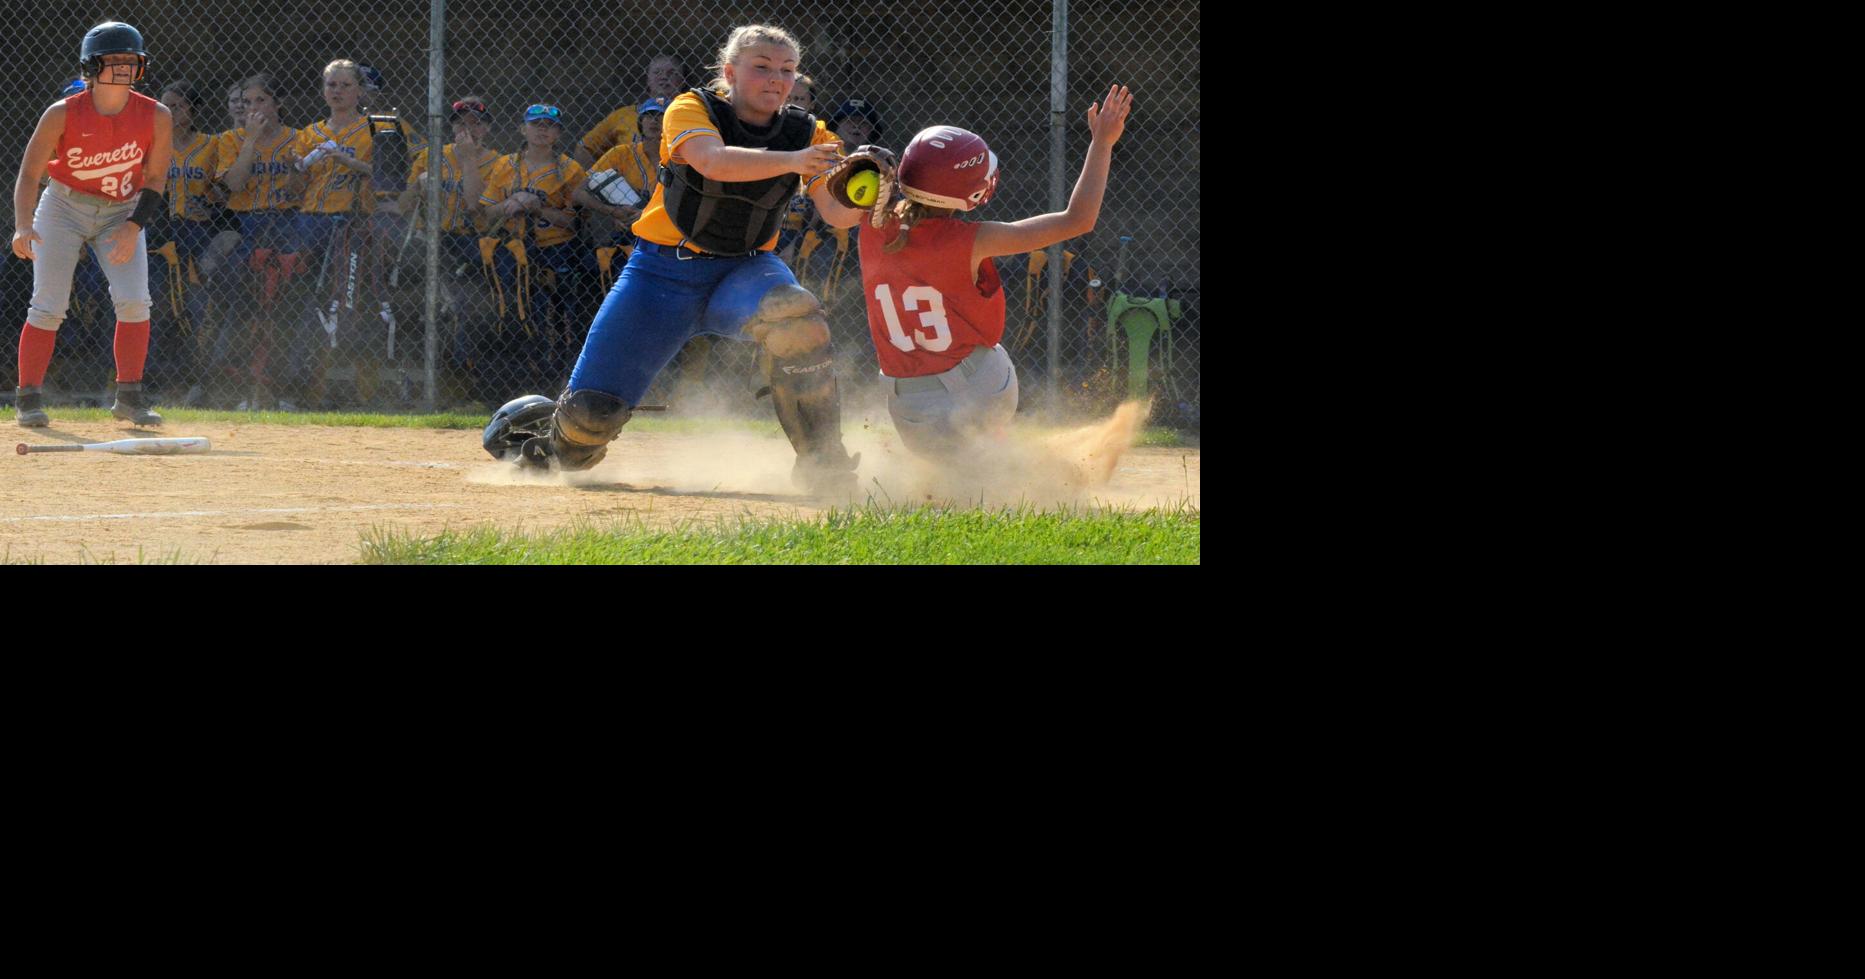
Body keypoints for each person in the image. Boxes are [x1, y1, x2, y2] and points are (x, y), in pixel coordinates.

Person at [490, 24, 865, 495]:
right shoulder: (692, 107)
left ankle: (823, 462)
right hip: (660, 274)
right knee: (589, 421)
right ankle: (544, 435)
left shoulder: (808, 133)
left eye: (787, 70)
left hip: (745, 270)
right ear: (730, 72)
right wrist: (794, 162)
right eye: (762, 67)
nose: (776, 79)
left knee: (794, 312)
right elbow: (712, 161)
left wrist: (868, 189)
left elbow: (837, 214)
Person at [854, 84, 1131, 458]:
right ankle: (992, 446)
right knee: (989, 366)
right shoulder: (972, 240)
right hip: (976, 393)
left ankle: (976, 455)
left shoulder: (870, 224)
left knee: (954, 481)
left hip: (907, 408)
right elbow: (1078, 219)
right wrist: (1103, 142)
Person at [11, 21, 173, 427]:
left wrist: (134, 226)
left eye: (129, 59)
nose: (122, 66)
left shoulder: (157, 115)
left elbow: (155, 180)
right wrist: (22, 225)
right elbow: (31, 175)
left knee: (135, 300)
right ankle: (28, 398)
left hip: (122, 210)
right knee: (48, 306)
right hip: (64, 207)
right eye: (112, 59)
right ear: (91, 66)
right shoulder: (62, 113)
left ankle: (130, 398)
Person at [474, 103, 585, 399]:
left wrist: (538, 207)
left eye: (549, 125)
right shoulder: (505, 165)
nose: (542, 129)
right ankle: (513, 383)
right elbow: (486, 214)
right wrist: (512, 204)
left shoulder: (570, 169)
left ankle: (555, 384)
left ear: (558, 133)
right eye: (535, 124)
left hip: (554, 251)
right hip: (512, 252)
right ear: (522, 129)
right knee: (513, 315)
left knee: (554, 318)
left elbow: (575, 221)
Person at [215, 71, 302, 409]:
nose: (253, 108)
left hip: (287, 223)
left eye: (261, 101)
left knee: (287, 304)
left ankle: (285, 385)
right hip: (248, 223)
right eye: (248, 102)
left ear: (278, 104)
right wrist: (250, 141)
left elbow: (299, 191)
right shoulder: (232, 139)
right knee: (243, 301)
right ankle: (234, 383)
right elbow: (234, 185)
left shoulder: (298, 138)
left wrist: (296, 170)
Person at [400, 97, 498, 395]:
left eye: (476, 122)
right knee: (413, 307)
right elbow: (403, 205)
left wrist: (468, 159)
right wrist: (418, 185)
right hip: (430, 240)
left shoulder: (497, 161)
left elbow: (474, 207)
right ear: (451, 126)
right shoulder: (432, 156)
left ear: (487, 128)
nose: (468, 128)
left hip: (469, 242)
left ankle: (460, 378)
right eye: (461, 122)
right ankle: (412, 381)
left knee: (465, 308)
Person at [148, 80, 219, 405]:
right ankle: (158, 383)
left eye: (178, 106)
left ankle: (199, 380)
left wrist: (210, 202)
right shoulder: (152, 143)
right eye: (165, 105)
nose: (171, 112)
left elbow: (222, 191)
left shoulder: (210, 145)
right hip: (161, 235)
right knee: (158, 307)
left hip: (196, 233)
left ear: (192, 110)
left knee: (196, 308)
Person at [573, 54, 687, 170]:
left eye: (672, 73)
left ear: (682, 81)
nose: (664, 77)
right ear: (648, 79)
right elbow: (585, 147)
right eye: (657, 72)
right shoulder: (624, 115)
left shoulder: (689, 115)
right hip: (627, 185)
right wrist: (594, 179)